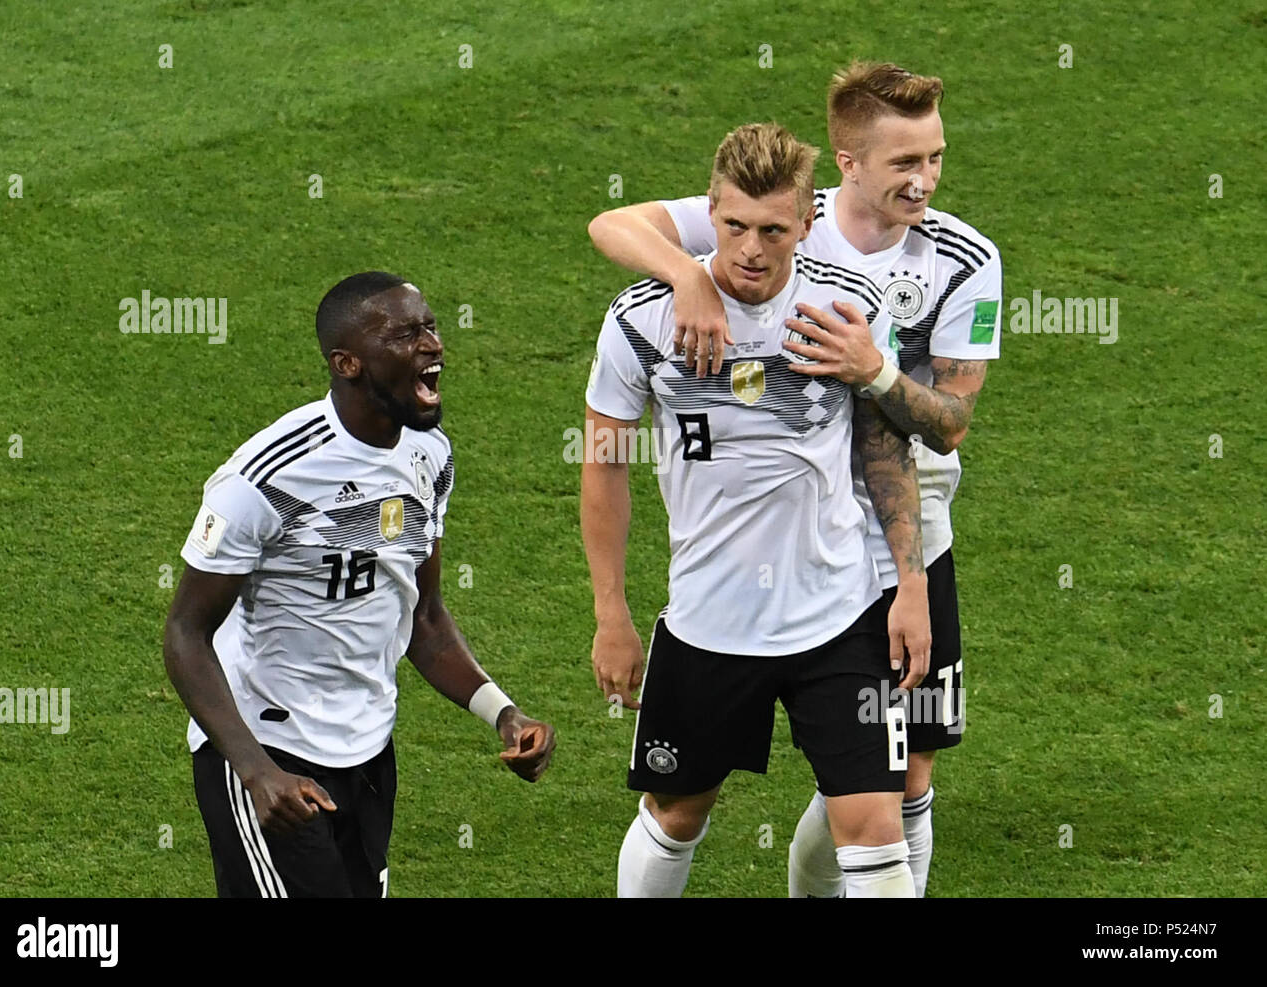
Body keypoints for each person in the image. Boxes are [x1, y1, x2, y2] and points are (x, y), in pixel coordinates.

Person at [586, 62, 1003, 897]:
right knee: (676, 813)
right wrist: (612, 614)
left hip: (838, 613)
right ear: (708, 217)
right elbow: (604, 465)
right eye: (733, 227)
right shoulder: (642, 320)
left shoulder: (845, 306)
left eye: (773, 232)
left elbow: (888, 451)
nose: (749, 248)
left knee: (878, 821)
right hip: (709, 617)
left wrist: (910, 588)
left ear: (806, 225)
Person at [163, 271, 556, 898]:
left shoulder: (429, 458)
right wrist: (256, 772)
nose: (432, 345)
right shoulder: (267, 478)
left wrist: (503, 714)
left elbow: (423, 620)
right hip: (268, 751)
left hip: (367, 752)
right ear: (347, 362)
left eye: (430, 326)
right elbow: (185, 633)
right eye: (404, 335)